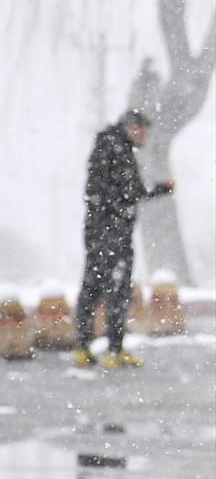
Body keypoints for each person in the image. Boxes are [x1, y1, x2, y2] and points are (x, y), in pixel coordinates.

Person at [76, 108, 173, 368]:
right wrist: (157, 191)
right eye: (142, 130)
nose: (144, 136)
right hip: (113, 233)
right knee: (117, 289)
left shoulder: (106, 147)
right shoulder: (118, 150)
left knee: (93, 285)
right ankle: (114, 350)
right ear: (132, 126)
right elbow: (128, 192)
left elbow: (110, 191)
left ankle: (84, 347)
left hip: (98, 231)